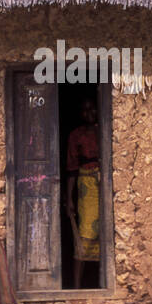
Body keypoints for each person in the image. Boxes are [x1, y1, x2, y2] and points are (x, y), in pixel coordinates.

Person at [64, 96, 100, 289]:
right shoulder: (76, 135)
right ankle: (77, 287)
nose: (89, 113)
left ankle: (103, 283)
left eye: (92, 109)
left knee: (108, 234)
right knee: (85, 234)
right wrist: (68, 198)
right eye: (85, 110)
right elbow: (71, 168)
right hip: (86, 185)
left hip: (106, 185)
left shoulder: (105, 129)